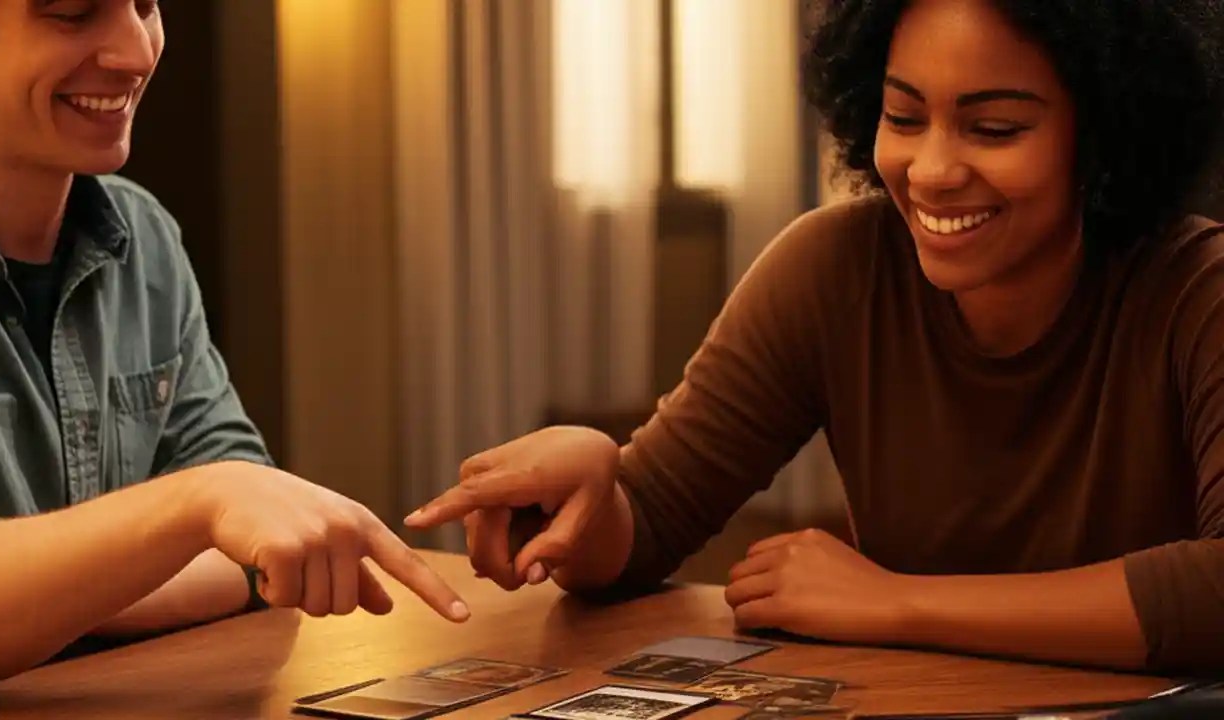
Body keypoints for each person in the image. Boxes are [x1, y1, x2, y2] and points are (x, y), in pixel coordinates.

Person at [407, 0, 1224, 674]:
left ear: (1105, 137)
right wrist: (589, 496)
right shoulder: (832, 268)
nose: (931, 169)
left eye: (995, 128)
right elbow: (647, 524)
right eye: (903, 116)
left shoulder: (1200, 292)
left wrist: (893, 602)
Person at [0, 0, 470, 696]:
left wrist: (38, 600)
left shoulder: (145, 237)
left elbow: (254, 555)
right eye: (73, 14)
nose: (135, 54)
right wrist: (198, 508)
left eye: (146, 5)